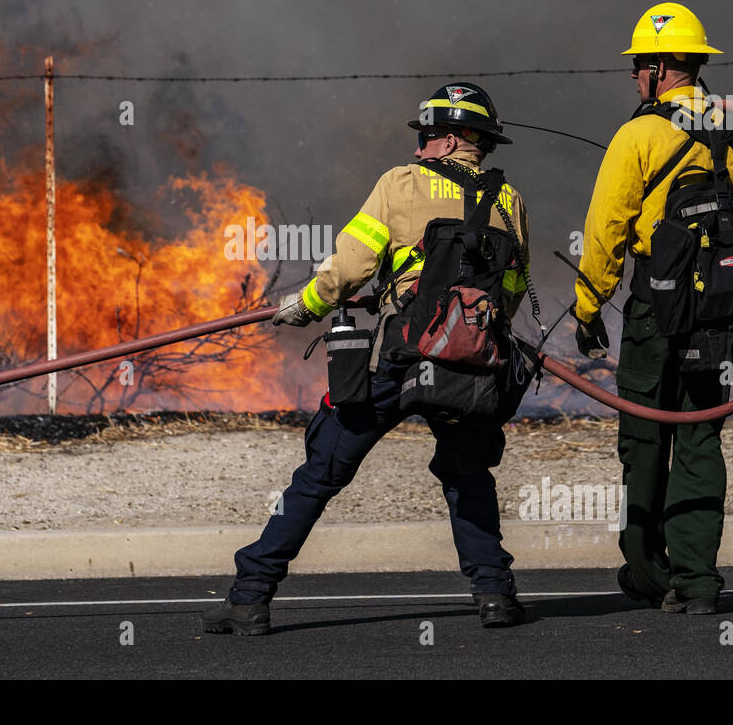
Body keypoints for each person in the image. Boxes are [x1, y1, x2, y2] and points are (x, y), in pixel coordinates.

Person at [201, 83, 532, 635]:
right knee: (467, 474)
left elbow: (351, 264)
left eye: (427, 135)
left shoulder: (398, 184)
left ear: (452, 138)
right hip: (471, 367)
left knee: (322, 471)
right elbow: (515, 288)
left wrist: (304, 305)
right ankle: (495, 596)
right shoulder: (509, 200)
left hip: (399, 363)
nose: (420, 145)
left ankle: (250, 597)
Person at [572, 2, 733, 615]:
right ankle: (699, 582)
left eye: (639, 66)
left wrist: (588, 307)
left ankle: (647, 571)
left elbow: (606, 230)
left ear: (661, 67)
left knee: (643, 436)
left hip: (655, 311)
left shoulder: (637, 135)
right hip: (721, 315)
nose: (635, 76)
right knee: (700, 438)